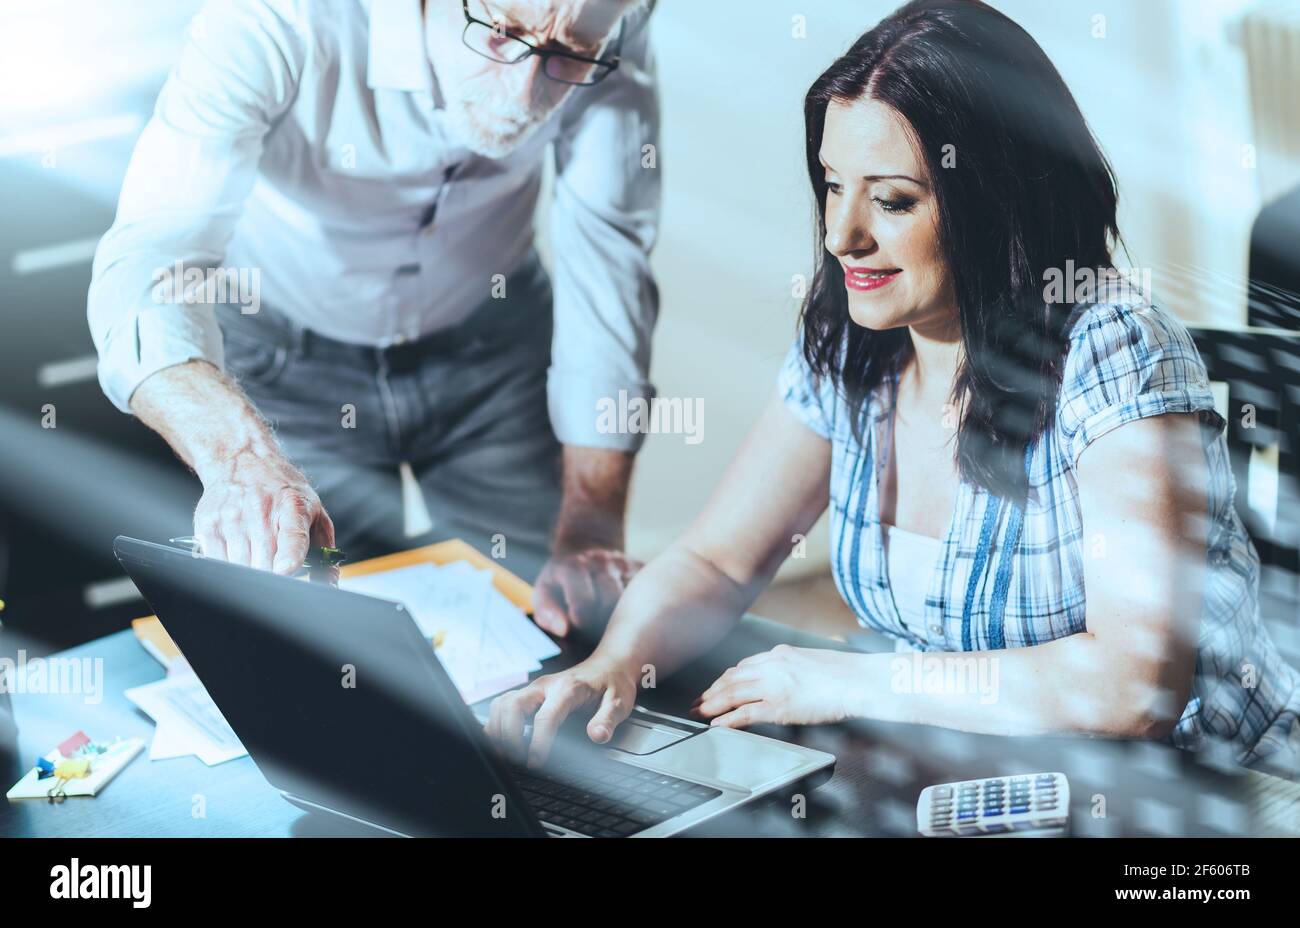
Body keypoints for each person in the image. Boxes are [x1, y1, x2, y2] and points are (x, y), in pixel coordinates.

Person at [487, 0, 1300, 780]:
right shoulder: (851, 336)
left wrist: (852, 683)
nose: (843, 235)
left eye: (893, 199)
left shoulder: (1115, 349)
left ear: (998, 202)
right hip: (976, 773)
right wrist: (614, 664)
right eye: (834, 185)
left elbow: (1135, 689)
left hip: (1201, 798)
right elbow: (718, 559)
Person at [88, 0, 660, 636]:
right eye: (503, 34)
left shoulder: (610, 18)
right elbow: (150, 263)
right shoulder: (276, 18)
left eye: (566, 55)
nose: (526, 89)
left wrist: (588, 531)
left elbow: (608, 264)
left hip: (494, 352)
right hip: (288, 366)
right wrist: (242, 460)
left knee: (545, 619)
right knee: (322, 643)